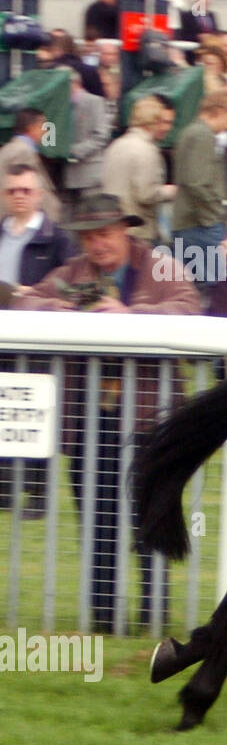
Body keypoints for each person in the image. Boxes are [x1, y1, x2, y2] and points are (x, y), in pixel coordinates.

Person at [11, 193, 197, 632]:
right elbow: (23, 302)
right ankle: (104, 619)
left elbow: (190, 305)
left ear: (125, 230)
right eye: (91, 236)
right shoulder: (70, 274)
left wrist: (132, 314)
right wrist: (56, 307)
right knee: (97, 521)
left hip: (150, 420)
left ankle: (154, 617)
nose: (99, 243)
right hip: (91, 421)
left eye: (107, 233)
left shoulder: (160, 267)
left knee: (151, 519)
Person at [0, 164, 78, 519]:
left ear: (39, 195)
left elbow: (71, 284)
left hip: (39, 341)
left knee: (38, 413)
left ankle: (39, 495)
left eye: (25, 190)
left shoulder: (57, 238)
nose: (19, 196)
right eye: (12, 190)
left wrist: (34, 294)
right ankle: (4, 488)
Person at [172, 90, 227, 299]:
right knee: (213, 287)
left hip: (191, 222)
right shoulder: (202, 135)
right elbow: (197, 183)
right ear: (218, 111)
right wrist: (216, 217)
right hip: (201, 225)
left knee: (191, 286)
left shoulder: (190, 133)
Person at [102, 94, 176, 244]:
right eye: (161, 122)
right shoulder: (147, 151)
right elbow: (146, 194)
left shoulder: (116, 145)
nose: (166, 128)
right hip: (139, 230)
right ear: (152, 122)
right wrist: (170, 191)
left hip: (116, 226)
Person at [0, 109, 59, 222]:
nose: (45, 130)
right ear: (31, 126)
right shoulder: (22, 151)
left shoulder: (11, 148)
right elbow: (26, 189)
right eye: (43, 125)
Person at [64, 74, 111, 211]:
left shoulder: (94, 102)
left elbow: (102, 136)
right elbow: (49, 139)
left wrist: (74, 150)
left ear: (75, 83)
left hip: (89, 176)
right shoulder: (56, 107)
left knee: (92, 217)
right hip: (65, 179)